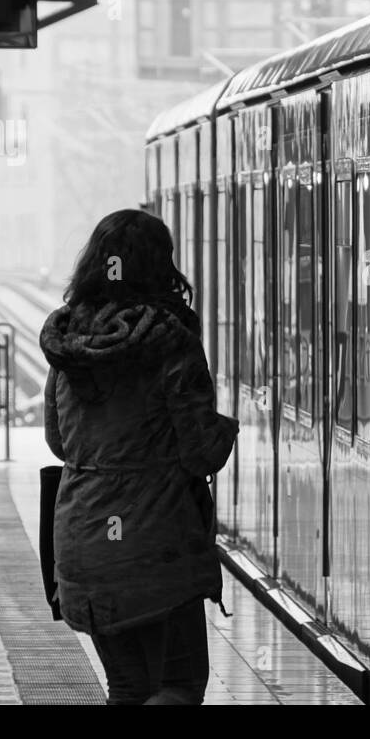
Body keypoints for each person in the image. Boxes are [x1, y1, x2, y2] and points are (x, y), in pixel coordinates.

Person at [40, 208, 237, 705]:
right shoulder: (172, 342)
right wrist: (227, 430)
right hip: (158, 539)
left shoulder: (68, 342)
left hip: (84, 534)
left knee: (129, 684)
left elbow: (59, 442)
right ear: (162, 267)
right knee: (180, 682)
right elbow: (201, 452)